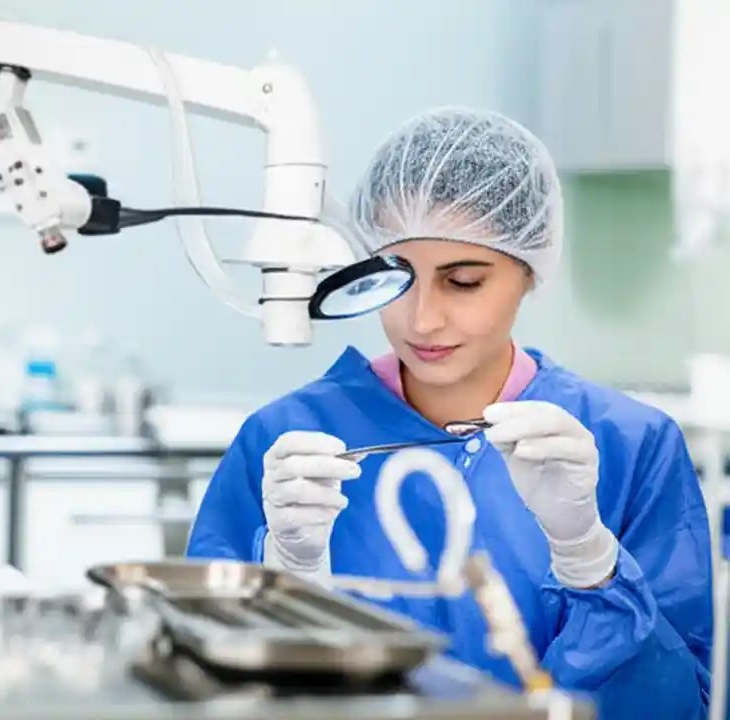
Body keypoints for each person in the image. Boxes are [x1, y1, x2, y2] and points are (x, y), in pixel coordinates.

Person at [186, 107, 712, 719]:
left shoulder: (631, 446)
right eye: (396, 279)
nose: (423, 320)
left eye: (463, 282)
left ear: (530, 271)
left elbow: (676, 706)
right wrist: (291, 578)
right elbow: (205, 688)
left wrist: (591, 562)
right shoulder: (284, 443)